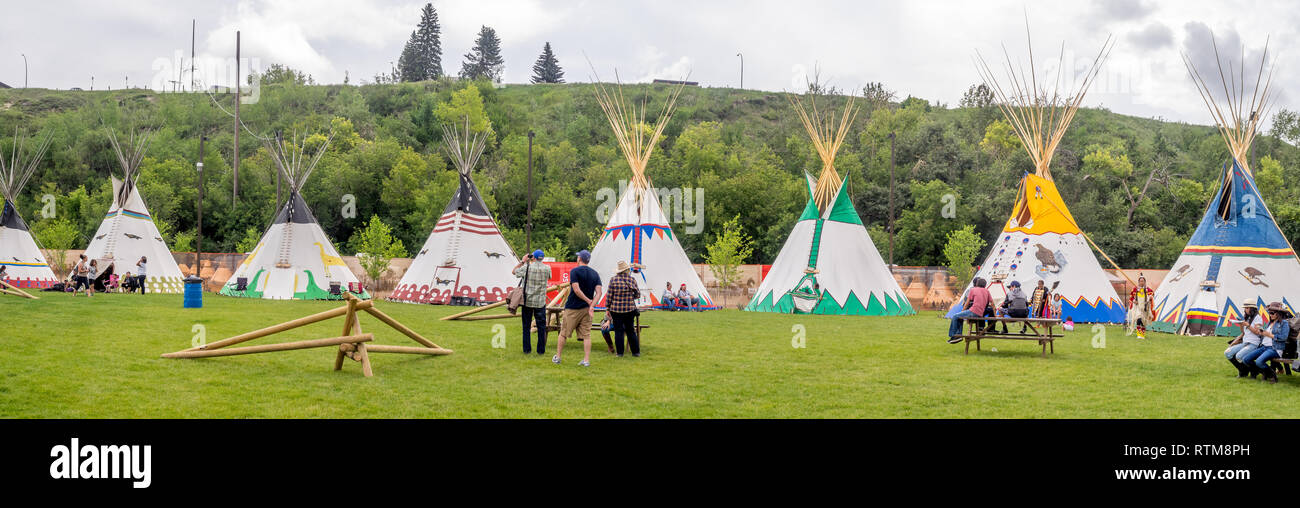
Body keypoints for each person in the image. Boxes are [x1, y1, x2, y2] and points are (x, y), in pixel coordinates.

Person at [553, 250, 603, 367]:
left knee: (563, 333)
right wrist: (591, 305)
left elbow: (576, 289)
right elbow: (599, 292)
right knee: (587, 335)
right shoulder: (595, 273)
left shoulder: (575, 271)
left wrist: (588, 301)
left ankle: (558, 357)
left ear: (579, 259)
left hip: (573, 307)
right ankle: (586, 360)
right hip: (586, 309)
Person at [511, 249, 552, 355]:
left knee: (526, 326)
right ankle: (541, 350)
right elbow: (550, 277)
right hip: (540, 302)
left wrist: (523, 261)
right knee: (541, 327)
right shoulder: (547, 268)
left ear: (533, 257)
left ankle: (527, 350)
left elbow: (514, 271)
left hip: (527, 301)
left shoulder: (527, 267)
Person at [1241, 302, 1292, 384]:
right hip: (1264, 347)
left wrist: (1269, 335)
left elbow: (1283, 337)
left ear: (1278, 313)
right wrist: (1261, 333)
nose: (1270, 314)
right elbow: (1265, 335)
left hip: (1274, 348)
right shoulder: (1270, 322)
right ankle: (1264, 371)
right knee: (1246, 359)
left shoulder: (1284, 323)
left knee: (1259, 361)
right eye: (1269, 312)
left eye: (1272, 313)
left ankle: (1272, 375)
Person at [606, 260, 642, 357]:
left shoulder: (613, 280)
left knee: (618, 331)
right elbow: (638, 294)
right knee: (630, 330)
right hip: (630, 309)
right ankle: (635, 352)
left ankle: (620, 353)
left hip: (616, 309)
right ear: (626, 270)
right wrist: (630, 297)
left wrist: (607, 308)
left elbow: (609, 296)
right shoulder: (632, 280)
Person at [1225, 302, 1264, 378]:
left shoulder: (1258, 318)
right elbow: (1243, 332)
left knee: (1239, 356)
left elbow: (1258, 332)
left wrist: (1248, 325)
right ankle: (1243, 370)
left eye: (1247, 308)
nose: (1245, 310)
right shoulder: (1249, 318)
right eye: (1245, 308)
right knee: (1227, 353)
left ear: (1252, 309)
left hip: (1253, 343)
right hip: (1245, 342)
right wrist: (1241, 324)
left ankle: (1256, 371)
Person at [948, 277, 991, 344]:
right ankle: (958, 334)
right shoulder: (985, 291)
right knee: (959, 317)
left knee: (955, 317)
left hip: (972, 310)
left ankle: (954, 335)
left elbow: (966, 302)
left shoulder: (973, 290)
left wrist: (963, 311)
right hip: (978, 311)